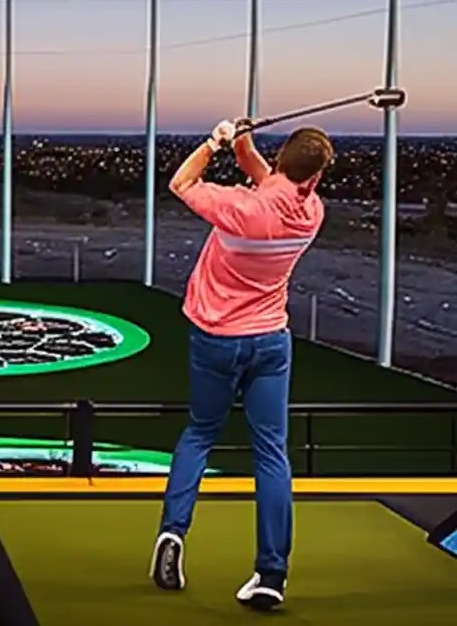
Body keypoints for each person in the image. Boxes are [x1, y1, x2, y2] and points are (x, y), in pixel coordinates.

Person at [150, 120, 332, 611]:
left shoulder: (241, 208)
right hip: (271, 342)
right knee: (272, 452)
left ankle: (172, 534)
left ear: (282, 161)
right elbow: (271, 182)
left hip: (216, 340)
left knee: (200, 434)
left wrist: (214, 142)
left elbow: (181, 183)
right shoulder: (313, 211)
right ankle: (271, 574)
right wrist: (244, 145)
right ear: (312, 179)